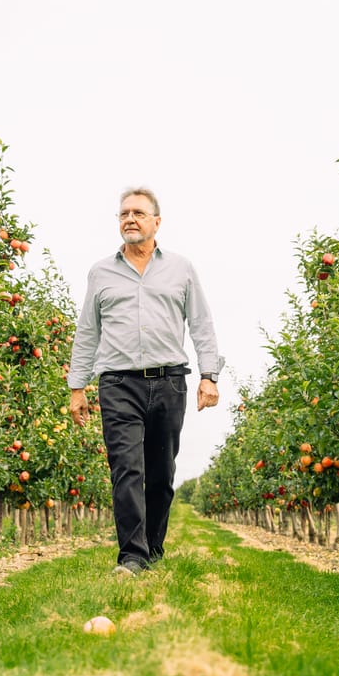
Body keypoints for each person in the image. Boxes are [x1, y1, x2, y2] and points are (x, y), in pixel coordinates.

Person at [68, 187, 221, 576]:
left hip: (169, 381)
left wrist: (209, 376)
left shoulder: (181, 268)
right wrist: (77, 386)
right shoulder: (101, 271)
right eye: (123, 214)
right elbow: (88, 331)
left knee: (160, 474)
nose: (129, 219)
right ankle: (132, 557)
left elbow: (201, 323)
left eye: (138, 212)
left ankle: (152, 548)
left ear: (156, 221)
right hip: (118, 384)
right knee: (126, 470)